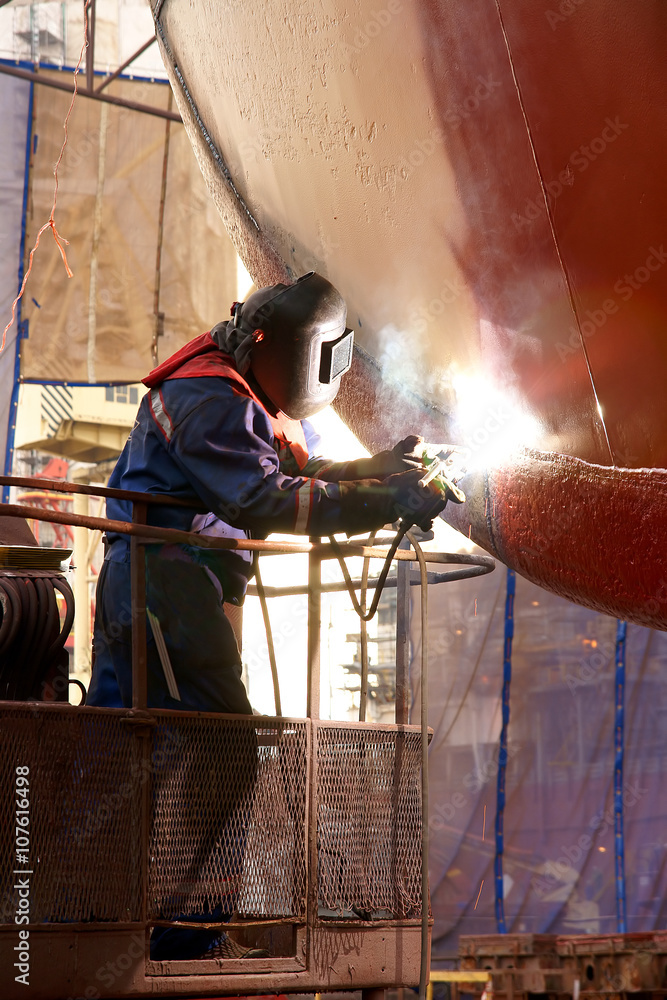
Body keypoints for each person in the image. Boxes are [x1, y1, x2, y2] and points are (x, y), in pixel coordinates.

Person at [86, 270, 443, 959]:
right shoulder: (205, 396)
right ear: (273, 345)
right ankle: (175, 937)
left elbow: (290, 467)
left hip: (171, 585)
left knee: (127, 753)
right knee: (214, 756)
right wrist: (384, 504)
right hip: (164, 587)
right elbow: (263, 500)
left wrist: (378, 470)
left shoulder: (230, 386)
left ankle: (107, 923)